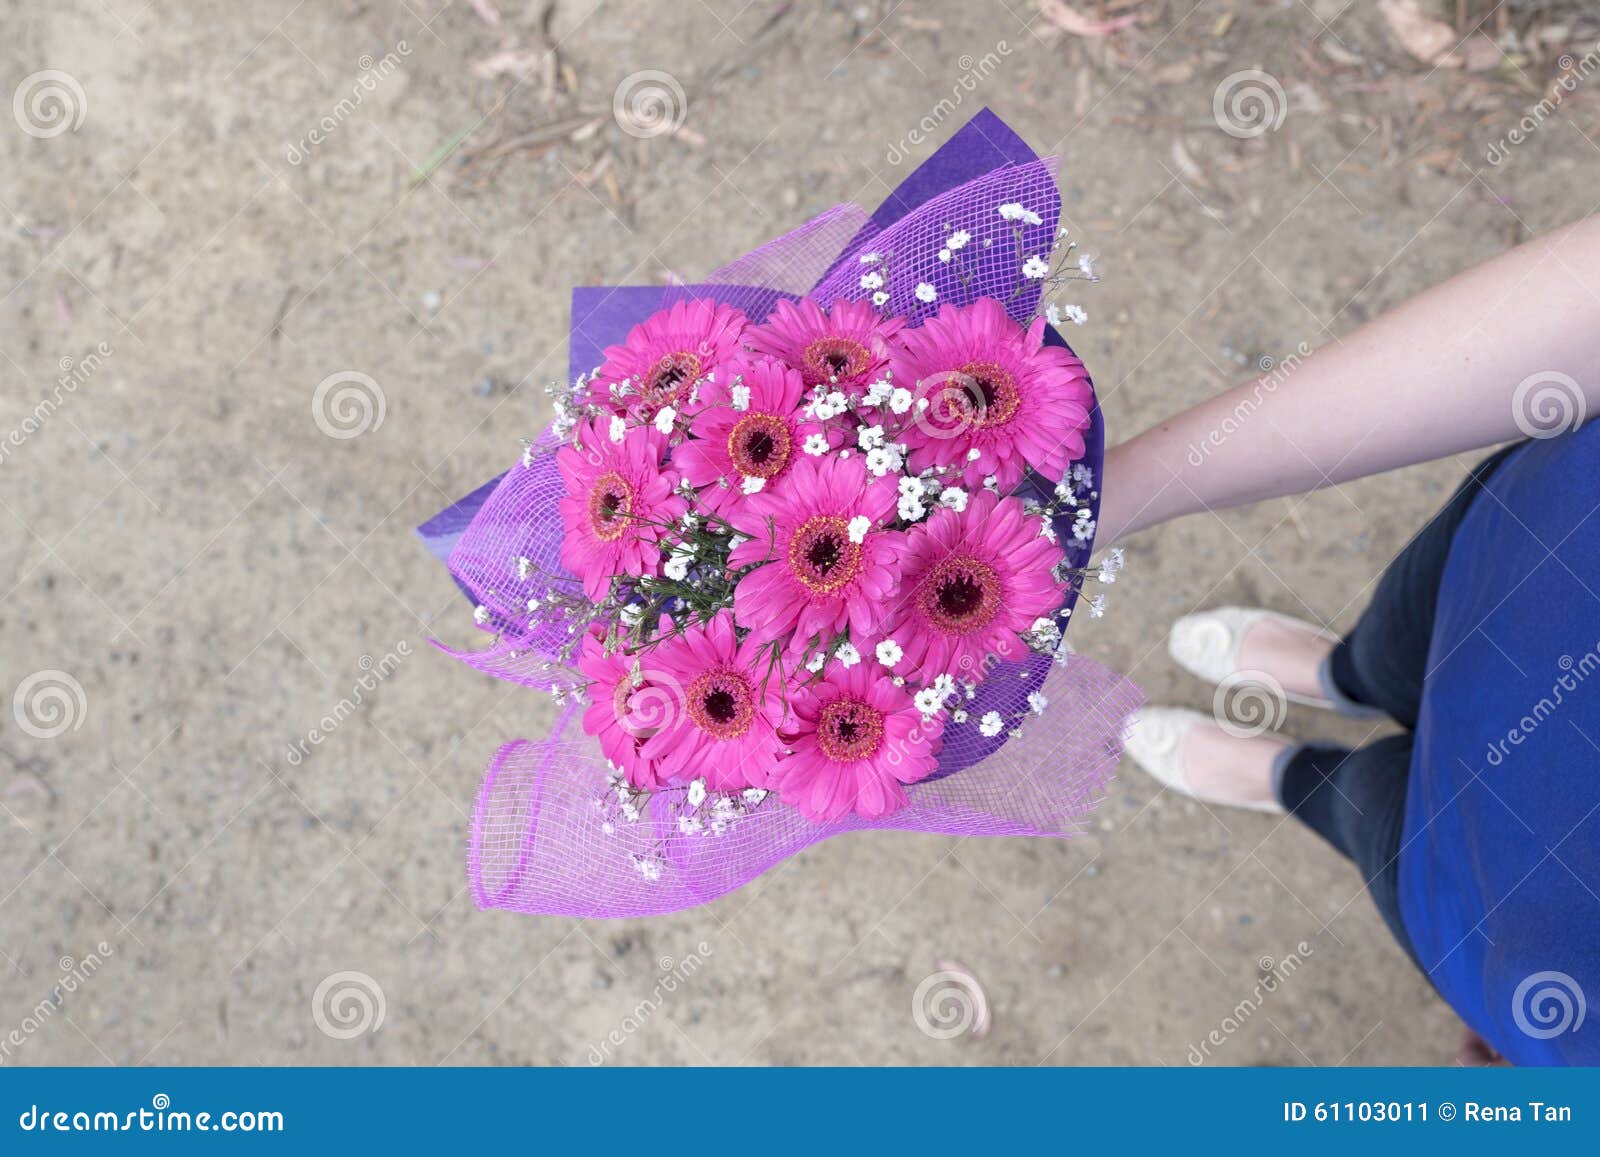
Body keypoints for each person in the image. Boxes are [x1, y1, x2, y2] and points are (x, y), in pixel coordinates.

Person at [1096, 215, 1600, 1066]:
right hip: (1531, 567)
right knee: (1403, 635)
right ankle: (1344, 673)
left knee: (1372, 810)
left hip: (1516, 928)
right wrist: (1115, 494)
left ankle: (1293, 777)